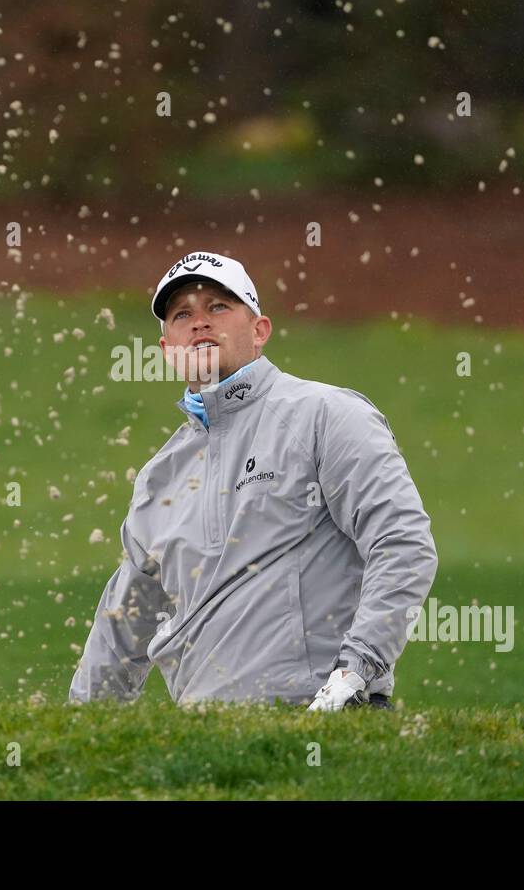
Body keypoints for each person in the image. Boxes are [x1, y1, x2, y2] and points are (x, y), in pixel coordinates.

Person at [69, 252, 438, 711]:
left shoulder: (325, 414)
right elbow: (125, 622)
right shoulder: (159, 477)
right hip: (205, 740)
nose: (200, 323)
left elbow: (402, 542)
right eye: (182, 314)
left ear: (260, 331)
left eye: (219, 307)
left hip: (322, 713)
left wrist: (358, 670)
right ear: (168, 351)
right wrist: (81, 731)